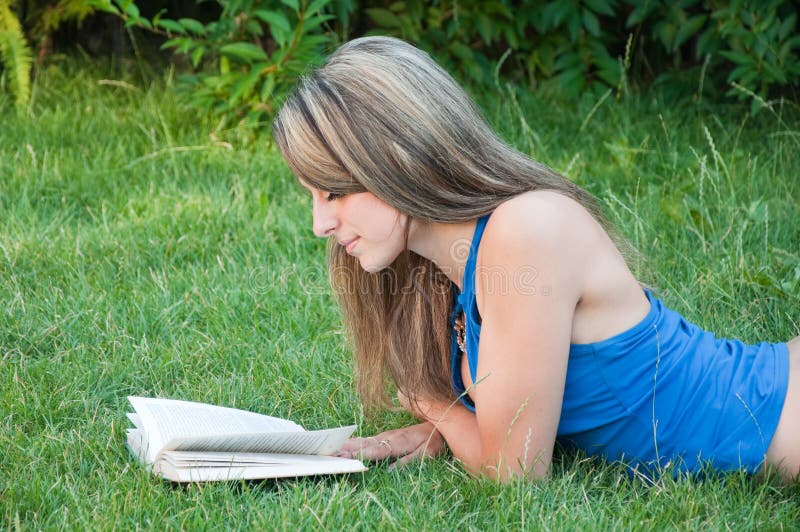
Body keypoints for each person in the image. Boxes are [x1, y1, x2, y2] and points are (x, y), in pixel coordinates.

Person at [272, 36, 799, 482]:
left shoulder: (526, 231)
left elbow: (514, 475)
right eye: (313, 196)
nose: (320, 225)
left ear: (400, 156)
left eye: (335, 192)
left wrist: (433, 405)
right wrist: (443, 429)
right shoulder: (449, 266)